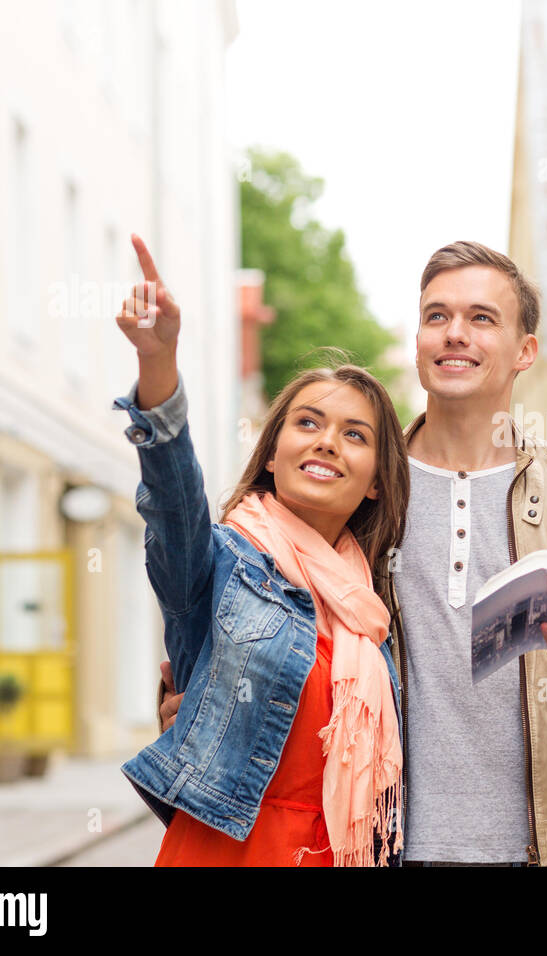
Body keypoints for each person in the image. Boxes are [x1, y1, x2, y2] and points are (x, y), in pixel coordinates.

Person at [160, 240, 547, 866]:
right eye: (436, 316)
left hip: (544, 854)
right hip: (379, 847)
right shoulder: (359, 490)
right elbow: (247, 594)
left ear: (525, 350)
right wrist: (202, 695)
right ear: (417, 340)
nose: (455, 335)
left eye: (481, 318)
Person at [115, 234, 409, 867]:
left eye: (354, 435)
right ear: (272, 455)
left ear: (378, 479)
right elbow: (172, 497)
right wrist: (159, 363)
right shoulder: (218, 564)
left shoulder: (375, 605)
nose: (328, 441)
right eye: (307, 423)